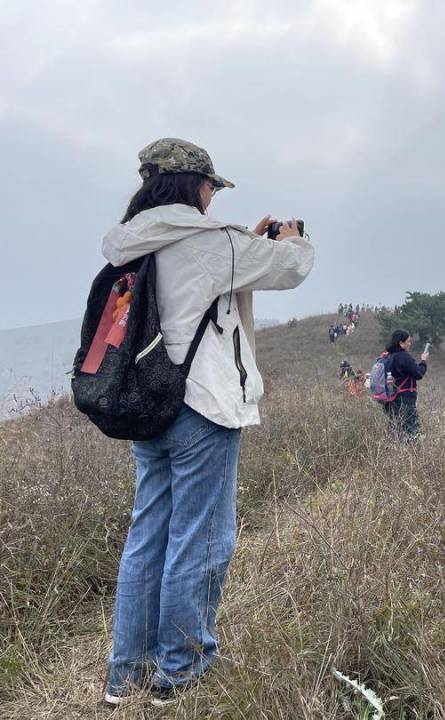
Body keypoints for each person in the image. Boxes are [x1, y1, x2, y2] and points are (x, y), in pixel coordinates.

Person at [99, 138, 314, 707]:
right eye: (212, 186)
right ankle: (181, 671)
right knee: (201, 540)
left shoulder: (131, 241)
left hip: (146, 403)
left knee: (149, 536)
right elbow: (290, 268)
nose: (213, 196)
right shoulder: (213, 243)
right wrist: (291, 239)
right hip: (202, 407)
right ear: (193, 185)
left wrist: (243, 238)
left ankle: (127, 676)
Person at [383, 329, 429, 436]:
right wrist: (423, 361)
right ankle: (412, 451)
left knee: (395, 428)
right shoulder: (403, 356)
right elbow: (418, 374)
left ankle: (394, 450)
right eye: (408, 341)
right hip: (405, 399)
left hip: (392, 398)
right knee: (411, 430)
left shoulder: (389, 357)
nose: (410, 344)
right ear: (401, 343)